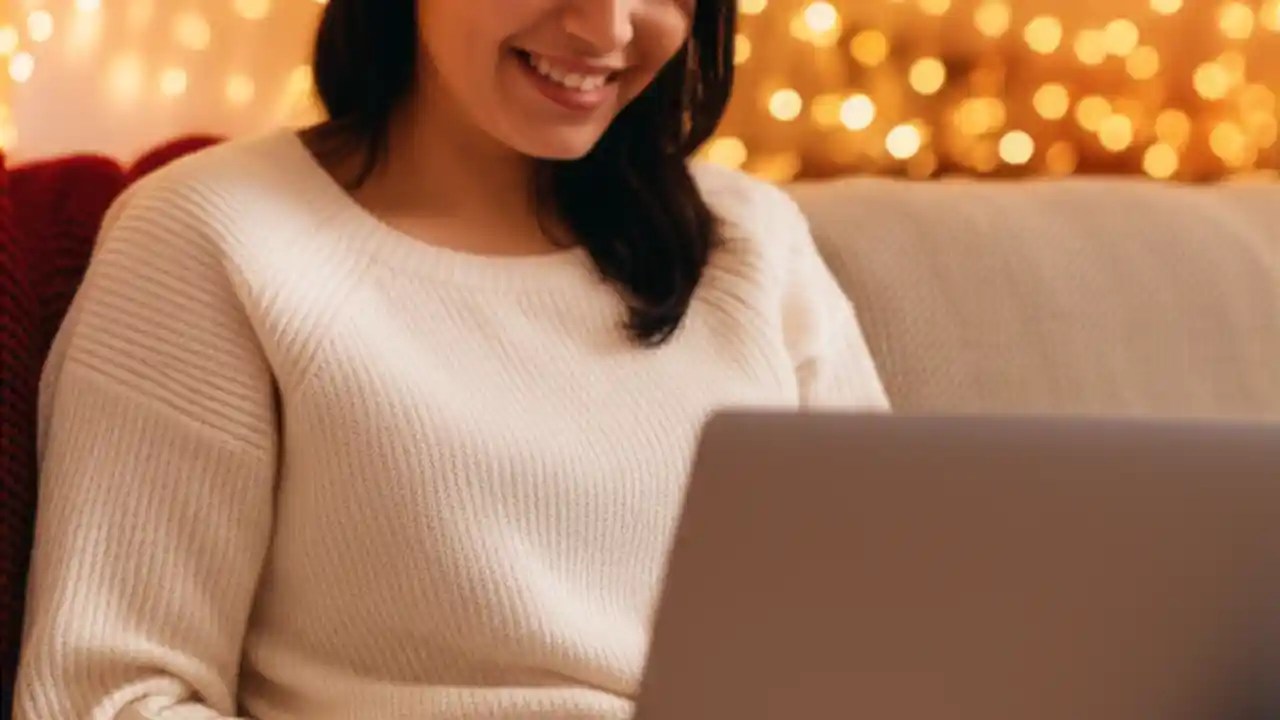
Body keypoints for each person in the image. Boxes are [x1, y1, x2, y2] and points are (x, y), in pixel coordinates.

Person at [13, 0, 888, 717]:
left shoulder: (752, 240)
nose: (607, 29)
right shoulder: (210, 235)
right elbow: (108, 699)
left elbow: (890, 640)